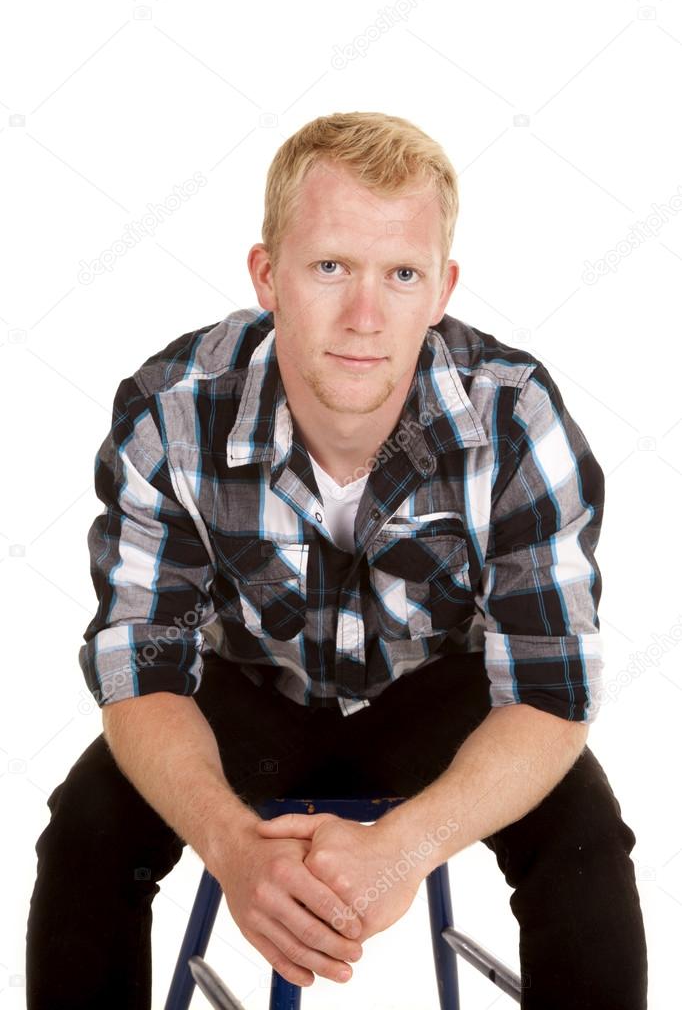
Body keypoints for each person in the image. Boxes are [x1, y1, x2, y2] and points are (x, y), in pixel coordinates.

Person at [25, 111, 648, 1009]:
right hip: (250, 693)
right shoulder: (171, 409)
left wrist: (406, 847)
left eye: (401, 274)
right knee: (83, 832)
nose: (365, 316)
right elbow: (143, 661)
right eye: (330, 267)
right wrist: (233, 847)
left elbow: (552, 690)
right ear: (267, 274)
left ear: (443, 289)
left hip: (436, 695)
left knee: (587, 837)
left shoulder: (517, 421)